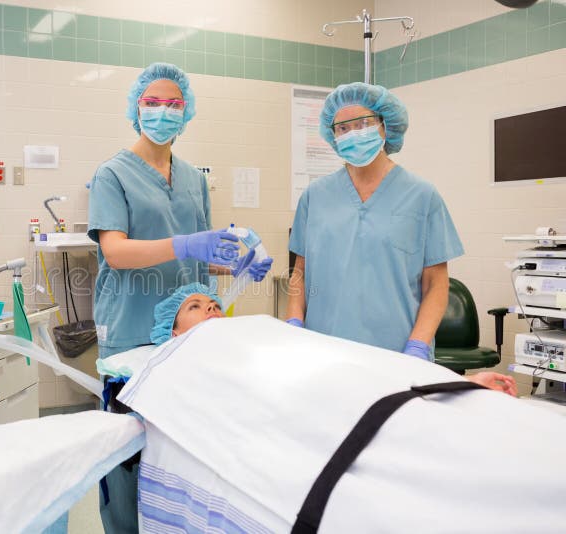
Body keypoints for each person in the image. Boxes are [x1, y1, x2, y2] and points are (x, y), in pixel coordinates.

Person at [87, 62, 273, 534]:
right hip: (132, 327)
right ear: (135, 108)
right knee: (128, 458)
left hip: (190, 335)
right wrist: (189, 244)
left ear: (186, 112)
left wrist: (234, 265)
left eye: (174, 104)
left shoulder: (192, 178)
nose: (163, 112)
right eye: (153, 103)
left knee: (180, 453)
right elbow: (115, 251)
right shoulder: (112, 174)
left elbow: (194, 256)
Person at [286, 82, 464, 363]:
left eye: (363, 124)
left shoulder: (421, 195)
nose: (352, 134)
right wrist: (295, 323)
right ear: (332, 136)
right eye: (342, 128)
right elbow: (299, 272)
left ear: (385, 126)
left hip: (396, 354)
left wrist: (417, 345)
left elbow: (436, 284)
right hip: (323, 349)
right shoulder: (315, 196)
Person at [152, 283, 517, 396]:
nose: (211, 308)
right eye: (196, 307)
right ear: (175, 331)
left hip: (309, 372)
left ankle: (458, 384)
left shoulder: (249, 332)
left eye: (214, 304)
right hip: (289, 392)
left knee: (359, 368)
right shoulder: (185, 365)